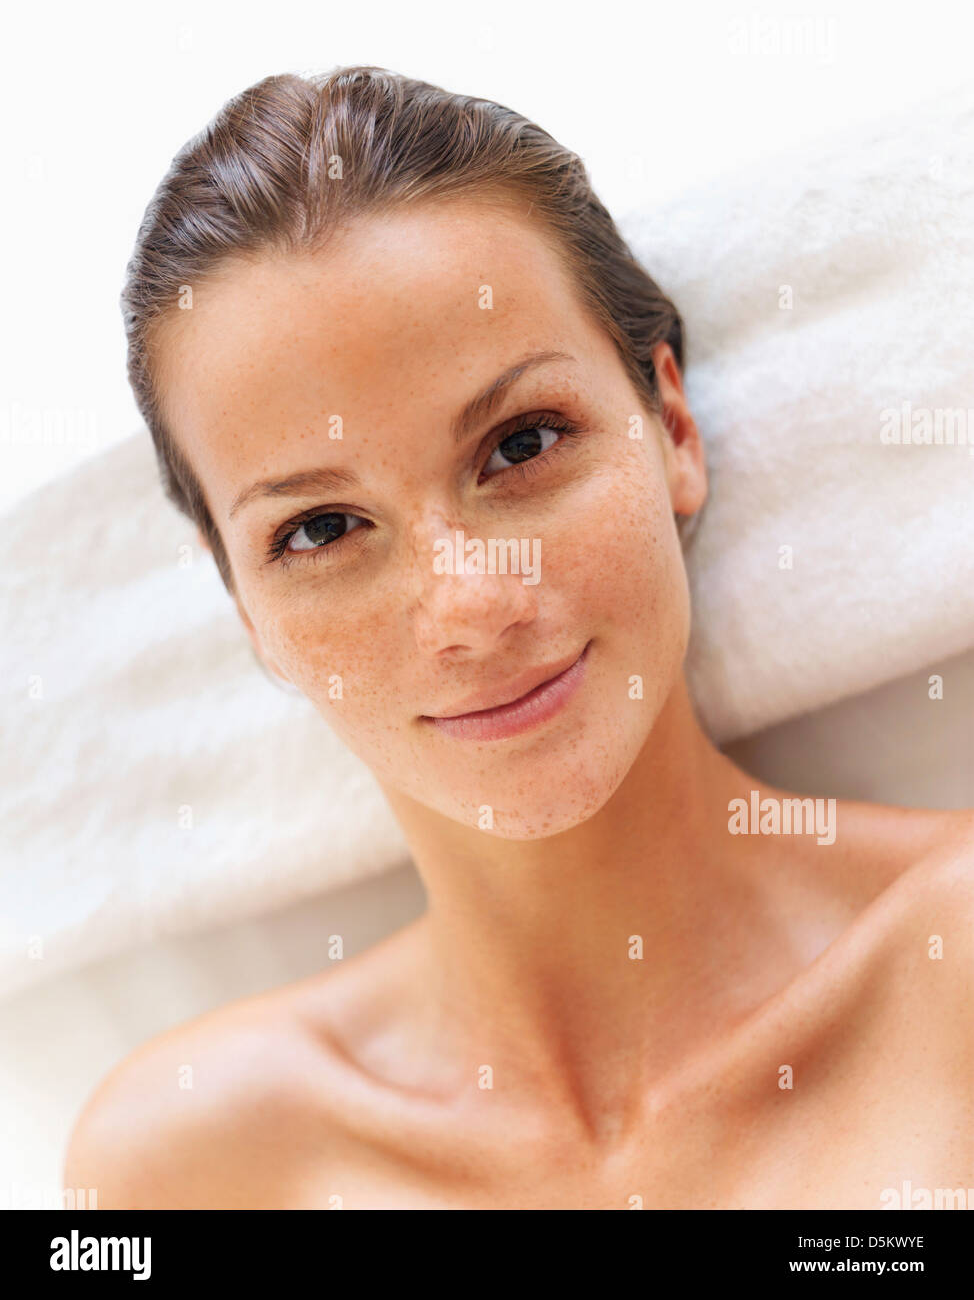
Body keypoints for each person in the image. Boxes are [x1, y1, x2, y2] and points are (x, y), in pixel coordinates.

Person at [64, 66, 973, 1209]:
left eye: (522, 443)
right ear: (250, 614)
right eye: (322, 528)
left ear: (670, 426)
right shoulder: (192, 1164)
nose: (470, 605)